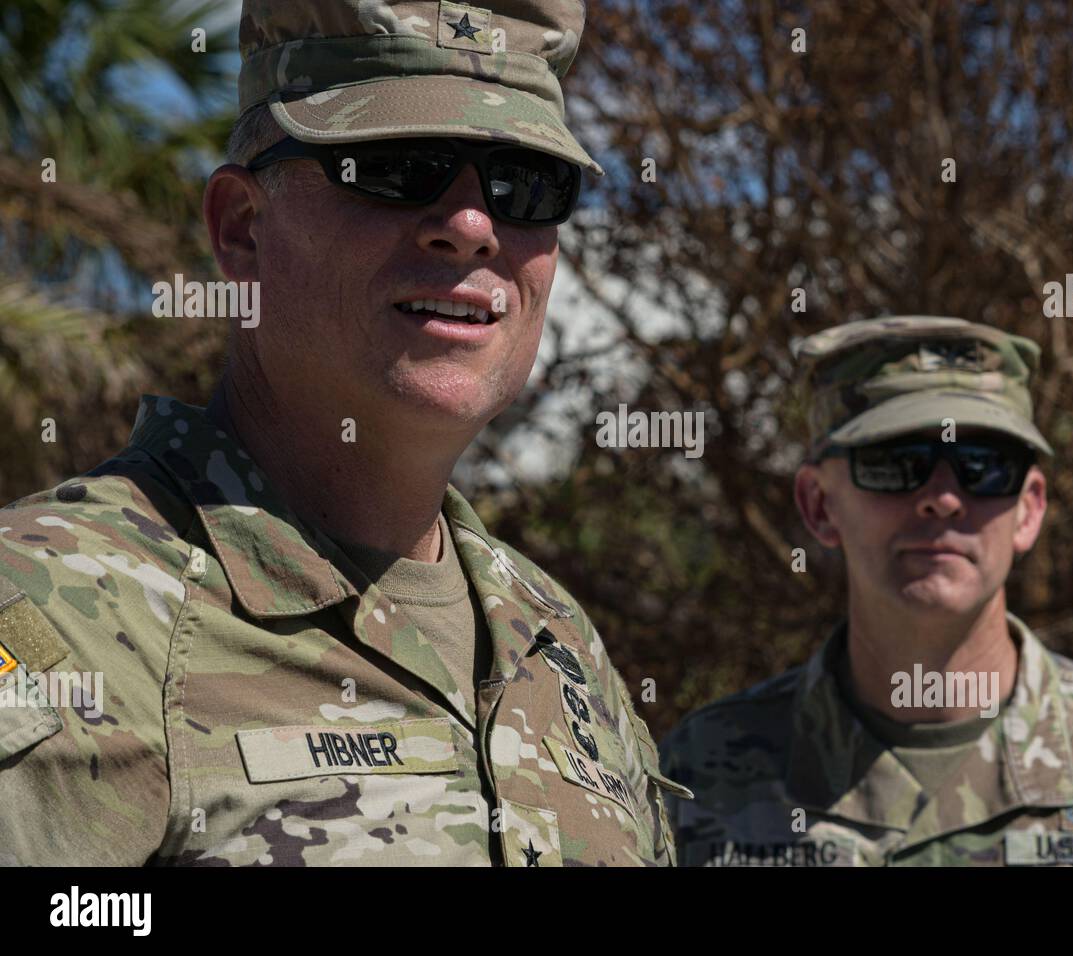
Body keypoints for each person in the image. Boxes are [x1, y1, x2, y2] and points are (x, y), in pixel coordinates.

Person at [0, 0, 689, 867]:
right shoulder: (58, 613)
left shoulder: (559, 644)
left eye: (527, 183)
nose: (473, 225)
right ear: (241, 230)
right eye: (398, 167)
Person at [659, 315, 1073, 867]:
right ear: (819, 505)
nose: (943, 496)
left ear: (1030, 509)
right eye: (896, 460)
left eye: (984, 465)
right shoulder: (698, 774)